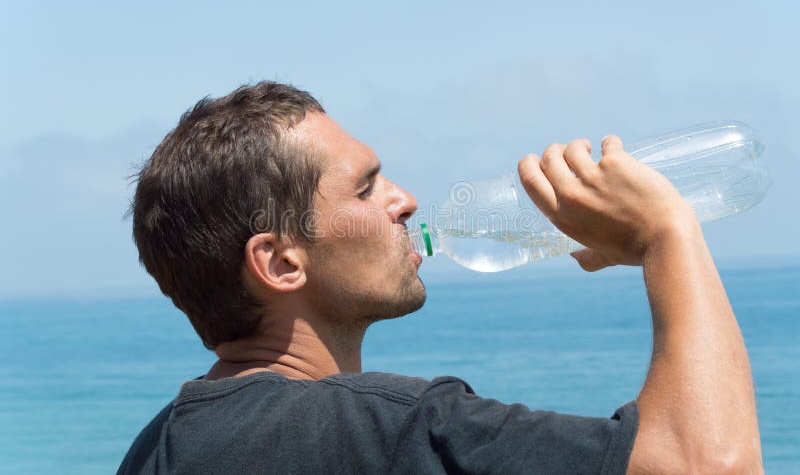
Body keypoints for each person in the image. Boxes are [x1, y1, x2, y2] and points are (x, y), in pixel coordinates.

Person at [118, 81, 763, 474]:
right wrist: (667, 235)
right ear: (282, 263)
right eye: (366, 189)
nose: (404, 201)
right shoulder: (387, 429)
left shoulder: (155, 450)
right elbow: (709, 466)